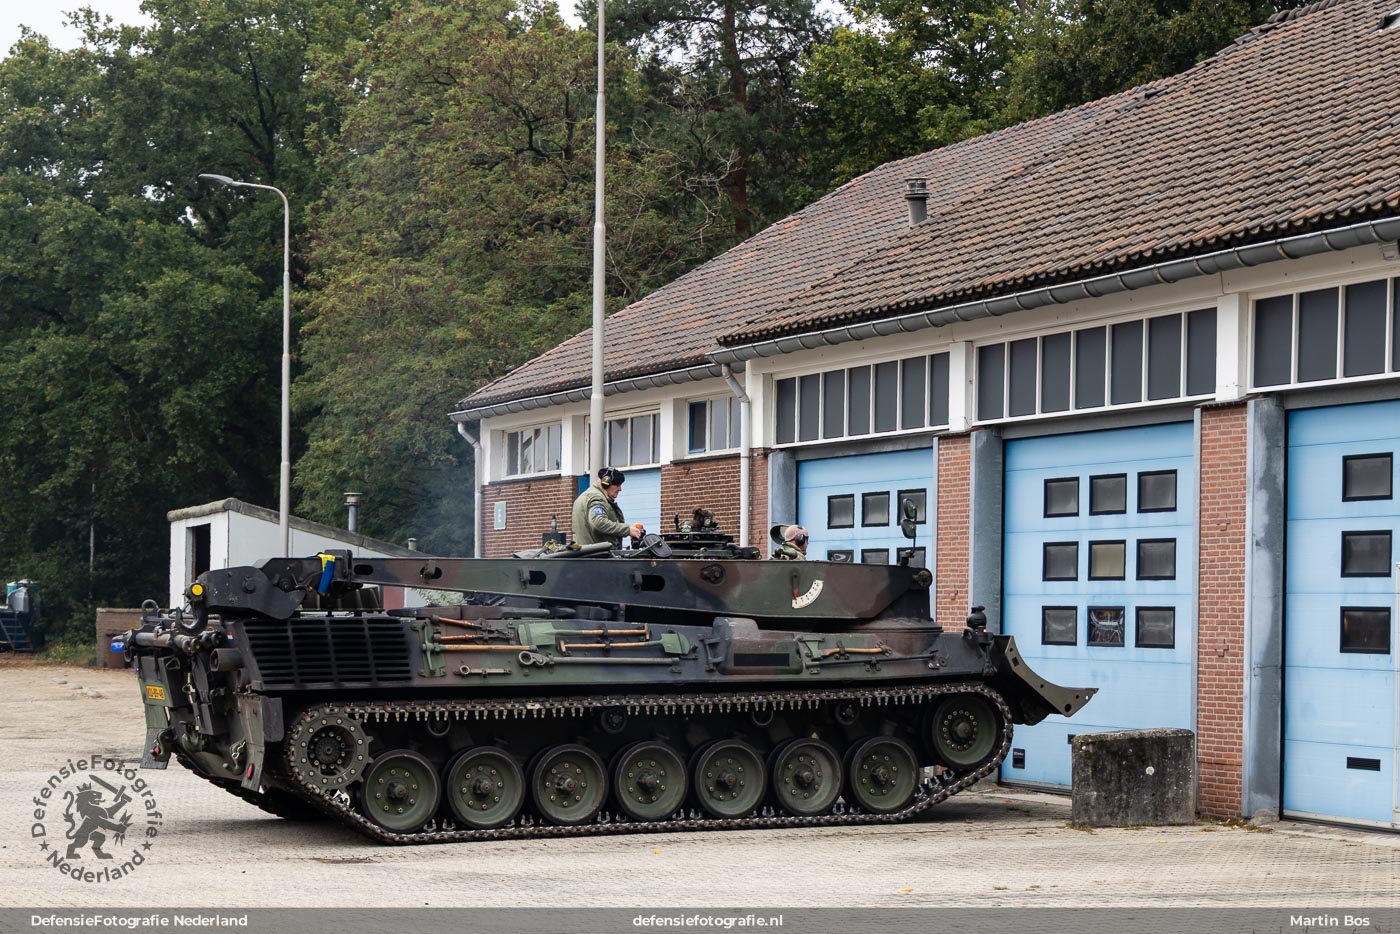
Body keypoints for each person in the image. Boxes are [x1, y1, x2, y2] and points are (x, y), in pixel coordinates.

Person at [571, 467, 645, 547]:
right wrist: (628, 530)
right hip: (598, 556)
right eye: (617, 485)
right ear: (606, 483)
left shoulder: (585, 496)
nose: (620, 489)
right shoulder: (597, 498)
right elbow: (598, 523)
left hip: (586, 554)